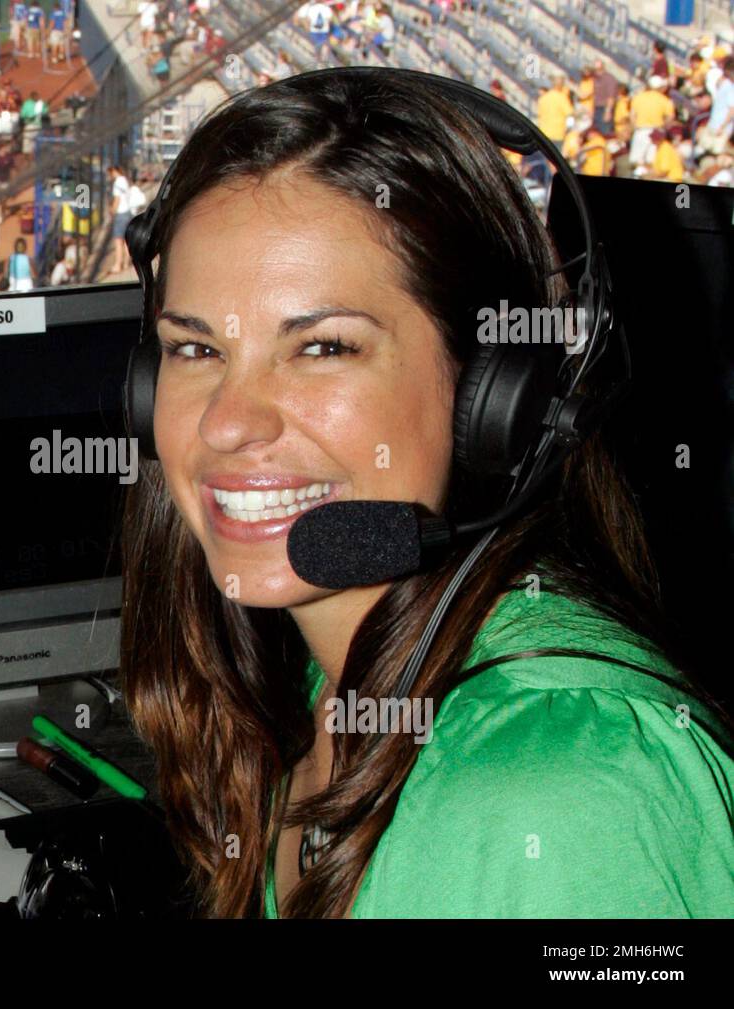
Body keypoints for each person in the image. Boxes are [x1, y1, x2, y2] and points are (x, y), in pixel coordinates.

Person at [117, 70, 734, 918]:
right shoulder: (322, 692)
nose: (227, 422)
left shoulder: (564, 794)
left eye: (324, 348)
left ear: (496, 396)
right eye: (194, 349)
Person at [629, 75, 675, 166]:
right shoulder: (665, 100)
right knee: (651, 161)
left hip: (640, 131)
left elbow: (632, 115)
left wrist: (635, 127)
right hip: (656, 132)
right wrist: (663, 127)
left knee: (636, 161)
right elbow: (670, 117)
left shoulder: (639, 97)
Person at [107, 163, 133, 276]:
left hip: (121, 214)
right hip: (128, 213)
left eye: (110, 173)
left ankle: (118, 264)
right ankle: (126, 263)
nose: (110, 176)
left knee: (118, 241)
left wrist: (112, 211)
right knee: (126, 241)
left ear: (113, 171)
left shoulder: (117, 182)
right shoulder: (125, 180)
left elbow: (117, 199)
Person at [535, 72, 574, 142]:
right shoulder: (562, 98)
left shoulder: (543, 98)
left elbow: (539, 115)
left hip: (543, 133)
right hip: (557, 134)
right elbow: (570, 113)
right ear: (562, 85)